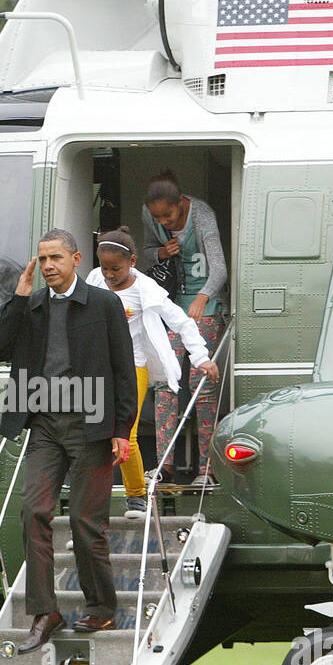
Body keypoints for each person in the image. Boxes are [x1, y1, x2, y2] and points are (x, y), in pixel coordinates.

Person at [0, 229, 137, 651]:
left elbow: (125, 370)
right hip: (44, 425)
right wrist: (17, 297)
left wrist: (122, 431)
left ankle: (101, 608)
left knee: (87, 524)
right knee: (33, 510)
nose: (49, 266)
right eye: (42, 259)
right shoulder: (30, 305)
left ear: (75, 259)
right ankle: (44, 612)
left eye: (56, 258)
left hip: (93, 426)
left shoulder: (105, 303)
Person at [85, 227, 219, 518]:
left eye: (115, 269)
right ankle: (95, 501)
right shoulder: (94, 279)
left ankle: (136, 497)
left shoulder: (146, 290)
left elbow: (182, 323)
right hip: (98, 367)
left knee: (126, 435)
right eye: (104, 267)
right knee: (96, 436)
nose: (108, 275)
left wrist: (201, 357)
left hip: (132, 366)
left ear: (132, 261)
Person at [139, 169, 229, 487]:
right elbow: (145, 255)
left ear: (181, 203)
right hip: (172, 306)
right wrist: (161, 251)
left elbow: (219, 267)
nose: (164, 221)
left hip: (205, 305)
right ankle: (165, 465)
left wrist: (203, 297)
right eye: (157, 217)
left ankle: (207, 468)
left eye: (169, 215)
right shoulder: (152, 216)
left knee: (202, 387)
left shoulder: (202, 215)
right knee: (166, 384)